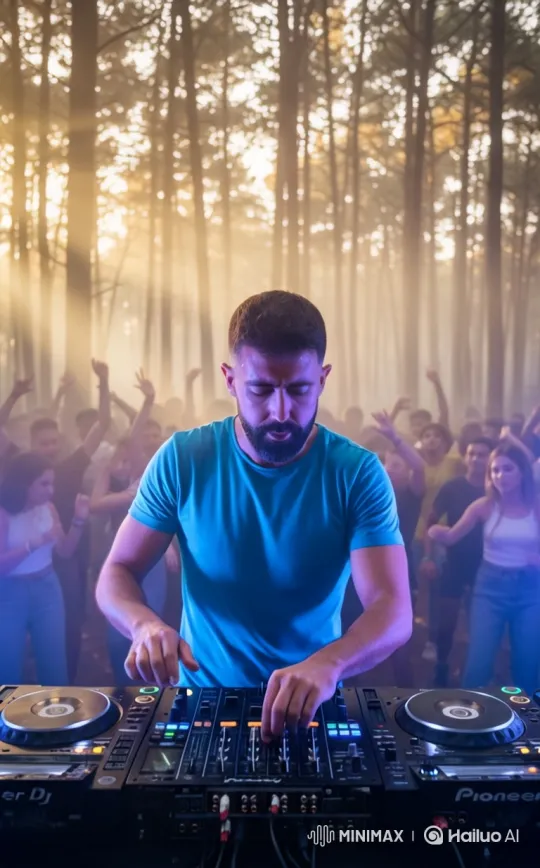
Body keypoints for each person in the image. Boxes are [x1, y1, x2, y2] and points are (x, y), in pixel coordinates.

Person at [96, 290, 411, 740]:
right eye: (261, 390)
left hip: (312, 701)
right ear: (230, 379)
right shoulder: (183, 459)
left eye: (299, 390)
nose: (280, 411)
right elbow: (117, 571)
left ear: (323, 379)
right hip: (202, 702)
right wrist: (142, 624)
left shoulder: (357, 472)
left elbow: (393, 609)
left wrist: (330, 663)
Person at [428, 442, 540, 695]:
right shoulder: (484, 505)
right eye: (495, 470)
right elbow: (452, 536)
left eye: (507, 469)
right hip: (490, 589)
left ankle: (528, 718)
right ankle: (473, 714)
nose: (500, 475)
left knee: (528, 665)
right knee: (478, 665)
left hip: (530, 590)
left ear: (522, 472)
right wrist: (436, 532)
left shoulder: (536, 505)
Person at [0, 452, 90, 684]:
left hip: (48, 587)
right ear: (25, 483)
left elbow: (65, 551)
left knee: (54, 665)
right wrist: (32, 545)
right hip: (10, 591)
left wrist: (79, 520)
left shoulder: (48, 508)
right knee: (7, 666)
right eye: (44, 484)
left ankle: (57, 707)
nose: (51, 490)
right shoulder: (4, 513)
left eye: (52, 483)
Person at [422, 437, 494, 686]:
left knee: (481, 626)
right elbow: (431, 522)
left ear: (491, 458)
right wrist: (429, 556)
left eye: (482, 454)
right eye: (472, 453)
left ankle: (476, 673)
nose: (476, 459)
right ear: (465, 457)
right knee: (447, 622)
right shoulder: (452, 487)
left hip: (487, 565)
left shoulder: (497, 489)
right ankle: (441, 666)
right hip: (453, 561)